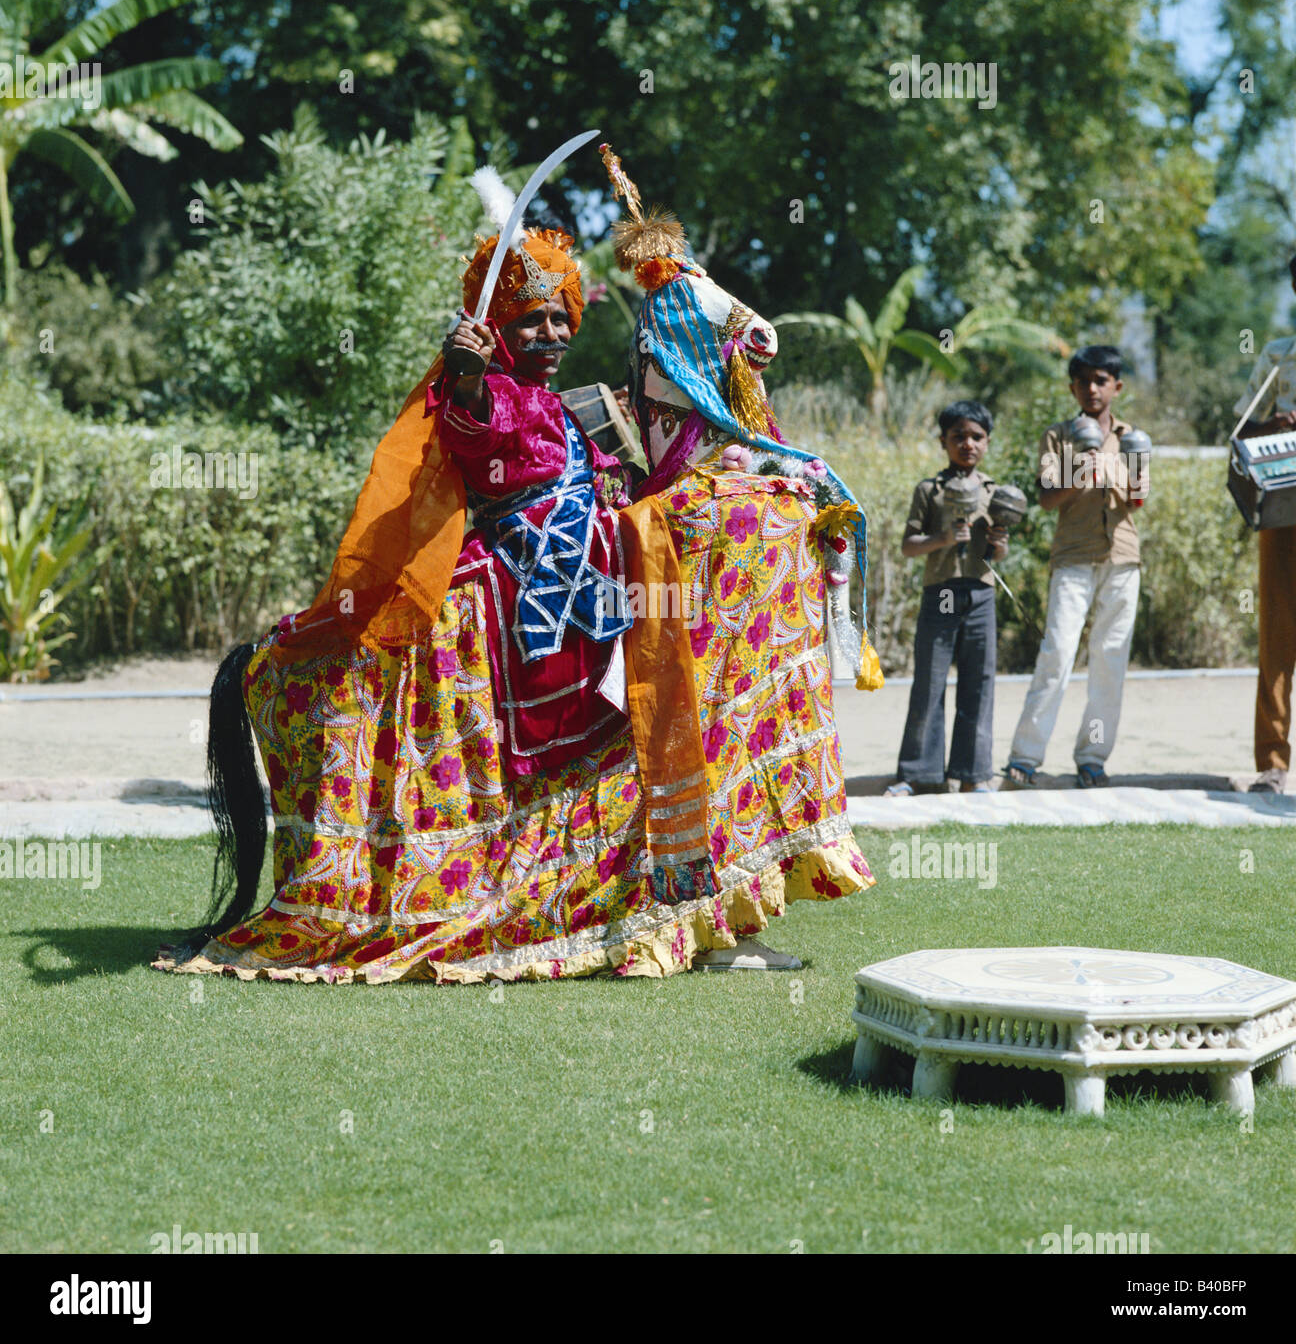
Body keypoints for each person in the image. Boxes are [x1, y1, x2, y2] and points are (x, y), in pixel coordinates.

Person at [155, 166, 873, 985]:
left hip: (583, 545)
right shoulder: (492, 393)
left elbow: (621, 475)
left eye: (561, 321)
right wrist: (465, 373)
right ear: (495, 330)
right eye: (530, 323)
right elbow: (475, 430)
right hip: (543, 566)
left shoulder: (569, 407)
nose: (551, 336)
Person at [1004, 345, 1147, 788]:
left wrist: (1113, 471)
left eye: (1101, 380)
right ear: (1072, 387)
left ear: (1116, 387)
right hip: (1072, 557)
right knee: (1058, 654)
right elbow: (1047, 499)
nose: (1092, 388)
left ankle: (1092, 759)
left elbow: (1138, 498)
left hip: (1123, 558)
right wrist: (1081, 473)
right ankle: (1024, 759)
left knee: (1110, 661)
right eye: (1083, 381)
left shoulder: (1132, 438)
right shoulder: (1059, 435)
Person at [886, 400, 1008, 796]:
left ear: (987, 442)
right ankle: (919, 774)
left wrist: (999, 546)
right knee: (930, 681)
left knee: (980, 682)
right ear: (943, 441)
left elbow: (997, 553)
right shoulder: (929, 490)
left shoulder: (995, 494)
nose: (967, 444)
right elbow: (908, 545)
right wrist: (941, 540)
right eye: (958, 436)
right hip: (941, 593)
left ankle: (973, 775)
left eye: (977, 437)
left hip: (980, 593)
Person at [1232, 263, 1296, 794]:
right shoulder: (1277, 354)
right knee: (1277, 634)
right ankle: (1272, 763)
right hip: (1282, 507)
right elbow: (1239, 429)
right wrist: (1272, 425)